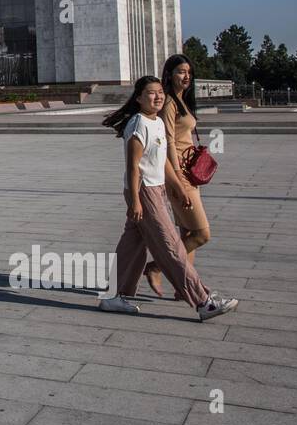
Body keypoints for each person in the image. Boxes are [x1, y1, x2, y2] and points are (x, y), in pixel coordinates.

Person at [98, 75, 238, 322]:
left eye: (160, 92)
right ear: (139, 97)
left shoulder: (157, 123)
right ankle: (203, 301)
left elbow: (161, 161)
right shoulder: (138, 124)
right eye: (151, 93)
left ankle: (112, 296)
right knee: (171, 246)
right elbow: (133, 167)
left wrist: (179, 188)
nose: (158, 96)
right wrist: (135, 201)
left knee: (131, 246)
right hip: (144, 191)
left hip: (157, 189)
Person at [143, 54, 211, 298]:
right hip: (179, 176)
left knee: (188, 234)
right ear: (169, 74)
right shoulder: (170, 102)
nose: (186, 76)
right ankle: (155, 267)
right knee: (203, 234)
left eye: (189, 72)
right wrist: (179, 179)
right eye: (181, 71)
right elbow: (168, 142)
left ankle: (184, 287)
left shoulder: (182, 101)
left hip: (189, 175)